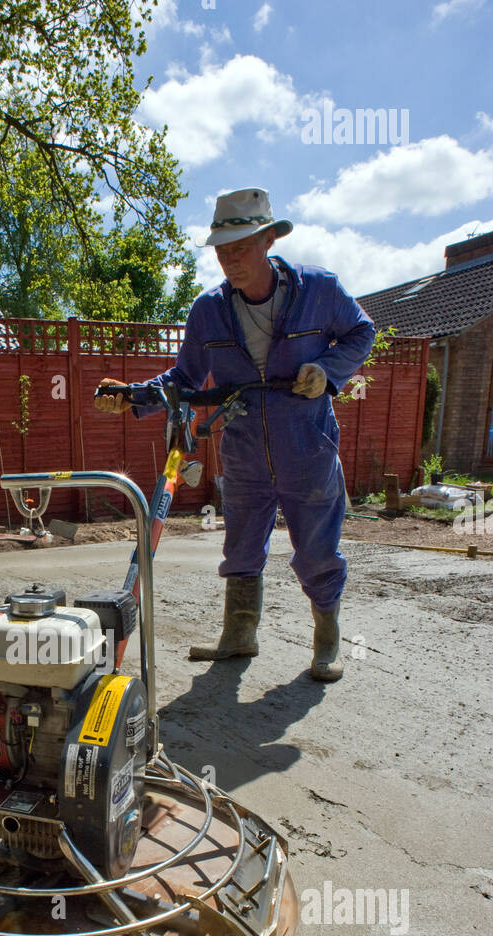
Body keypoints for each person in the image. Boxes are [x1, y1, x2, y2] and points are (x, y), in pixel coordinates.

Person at [95, 188, 376, 681]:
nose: (230, 260)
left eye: (241, 247)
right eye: (222, 250)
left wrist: (328, 371)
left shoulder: (320, 290)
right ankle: (239, 636)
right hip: (244, 447)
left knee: (316, 548)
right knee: (241, 546)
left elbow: (361, 333)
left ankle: (326, 639)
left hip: (307, 445)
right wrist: (132, 395)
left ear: (269, 238)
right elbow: (184, 379)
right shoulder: (209, 311)